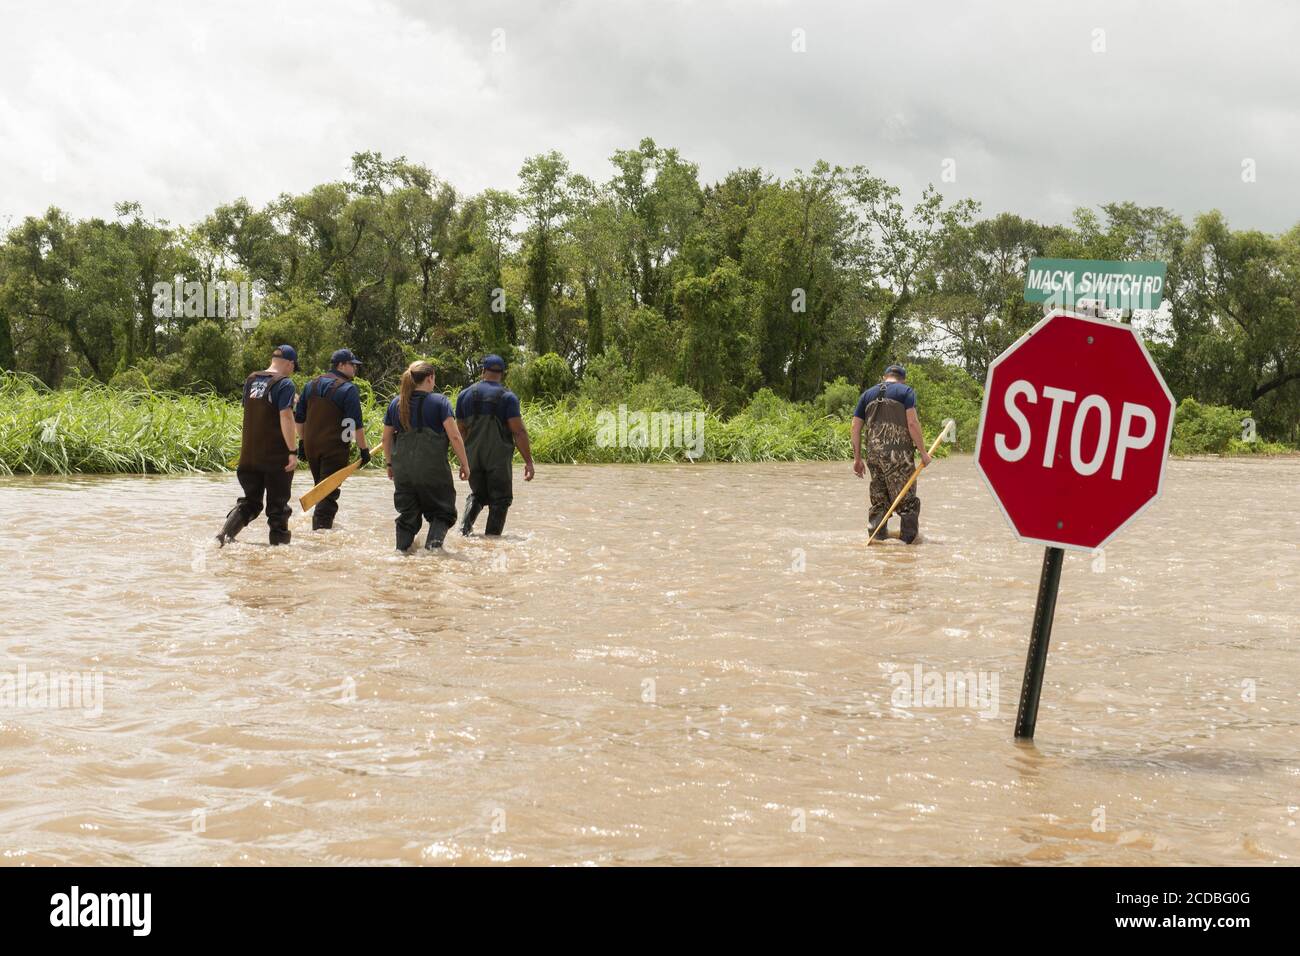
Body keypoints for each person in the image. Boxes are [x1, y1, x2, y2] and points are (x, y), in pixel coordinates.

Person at [382, 361, 471, 551]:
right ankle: (433, 553)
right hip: (433, 473)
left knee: (407, 516)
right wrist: (465, 464)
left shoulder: (395, 404)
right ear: (430, 378)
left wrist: (390, 464)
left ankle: (400, 554)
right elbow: (454, 436)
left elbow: (386, 439)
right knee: (442, 513)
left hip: (403, 472)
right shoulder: (440, 402)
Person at [216, 345, 300, 547]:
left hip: (249, 456)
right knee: (277, 508)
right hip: (275, 457)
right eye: (293, 367)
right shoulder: (285, 384)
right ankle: (279, 555)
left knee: (251, 502)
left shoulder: (251, 379)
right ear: (289, 363)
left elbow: (257, 411)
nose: (292, 371)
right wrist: (292, 451)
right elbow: (285, 417)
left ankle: (223, 537)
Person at [455, 354, 535, 536]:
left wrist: (463, 460)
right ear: (502, 374)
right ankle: (491, 541)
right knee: (501, 500)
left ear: (483, 371)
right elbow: (519, 432)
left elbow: (460, 432)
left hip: (472, 456)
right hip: (497, 459)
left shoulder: (464, 396)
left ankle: (463, 533)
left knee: (478, 494)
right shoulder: (508, 397)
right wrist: (528, 462)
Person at [851, 363, 931, 544]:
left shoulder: (867, 394)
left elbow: (855, 427)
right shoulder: (906, 392)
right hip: (898, 457)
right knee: (907, 501)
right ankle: (909, 544)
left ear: (884, 377)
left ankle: (877, 539)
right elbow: (912, 423)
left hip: (874, 456)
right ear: (903, 379)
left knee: (879, 501)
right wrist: (923, 452)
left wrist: (857, 459)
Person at [294, 348, 371, 530]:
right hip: (334, 448)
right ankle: (321, 535)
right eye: (353, 365)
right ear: (341, 365)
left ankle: (320, 529)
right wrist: (363, 449)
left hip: (312, 447)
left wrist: (303, 443)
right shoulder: (348, 389)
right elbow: (353, 425)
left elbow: (299, 418)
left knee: (320, 489)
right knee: (328, 493)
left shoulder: (310, 385)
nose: (355, 369)